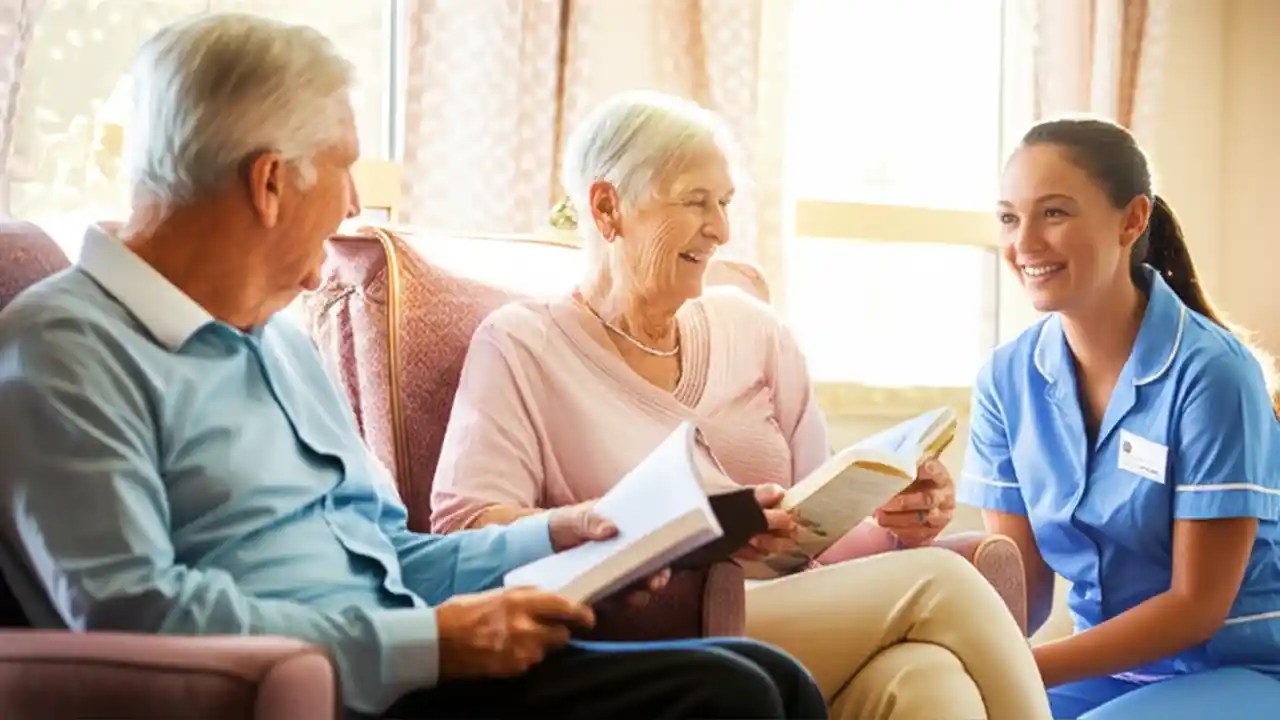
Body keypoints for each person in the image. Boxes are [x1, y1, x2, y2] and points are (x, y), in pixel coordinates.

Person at [0, 14, 831, 720]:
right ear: (269, 183)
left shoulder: (279, 341)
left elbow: (388, 554)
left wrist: (559, 536)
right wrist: (427, 642)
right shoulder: (66, 349)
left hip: (410, 665)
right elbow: (134, 610)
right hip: (335, 691)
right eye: (343, 166)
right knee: (730, 694)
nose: (354, 204)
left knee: (772, 678)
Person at [429, 91, 1052, 720]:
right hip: (656, 632)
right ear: (607, 206)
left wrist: (896, 513)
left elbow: (823, 520)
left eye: (724, 204)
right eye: (695, 202)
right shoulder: (521, 344)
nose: (721, 230)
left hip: (798, 607)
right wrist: (648, 526)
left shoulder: (753, 330)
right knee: (943, 583)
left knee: (925, 679)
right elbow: (465, 525)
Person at [958, 116, 1280, 719]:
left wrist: (1020, 669)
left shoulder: (1213, 374)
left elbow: (1195, 608)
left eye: (1054, 213)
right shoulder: (1006, 380)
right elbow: (1022, 592)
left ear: (1132, 219)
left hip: (1243, 665)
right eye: (1009, 217)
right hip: (1113, 669)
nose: (1024, 243)